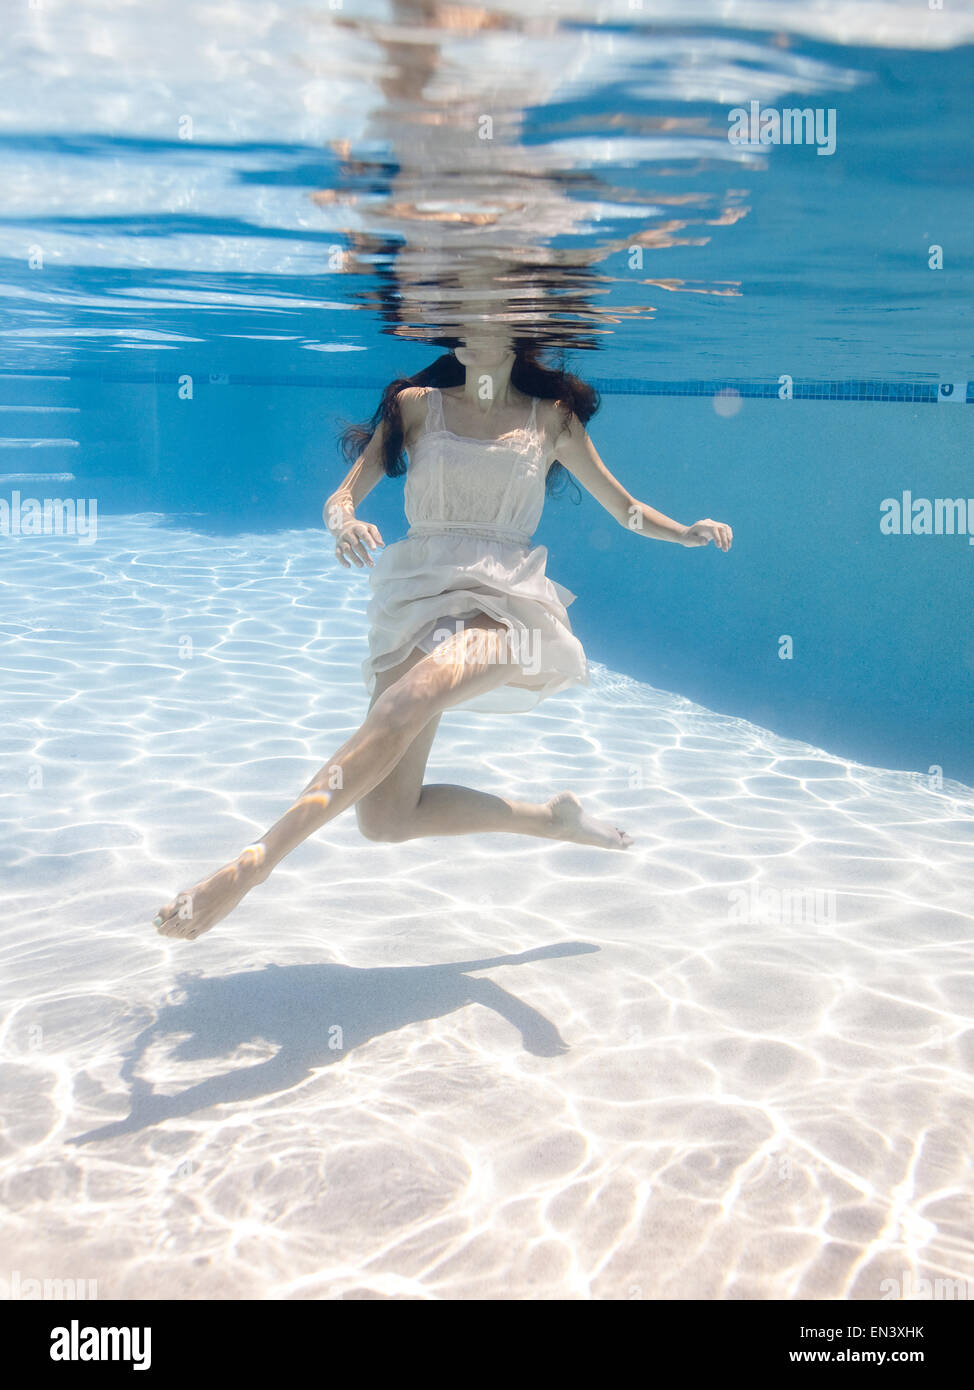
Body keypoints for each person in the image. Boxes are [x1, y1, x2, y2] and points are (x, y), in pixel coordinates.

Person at [153, 332, 732, 940]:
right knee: (386, 819)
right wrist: (343, 522)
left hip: (508, 606)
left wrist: (686, 532)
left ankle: (252, 867)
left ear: (517, 331)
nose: (469, 323)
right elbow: (340, 496)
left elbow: (626, 509)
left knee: (407, 701)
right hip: (417, 600)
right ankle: (551, 819)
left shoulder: (552, 419)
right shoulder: (415, 406)